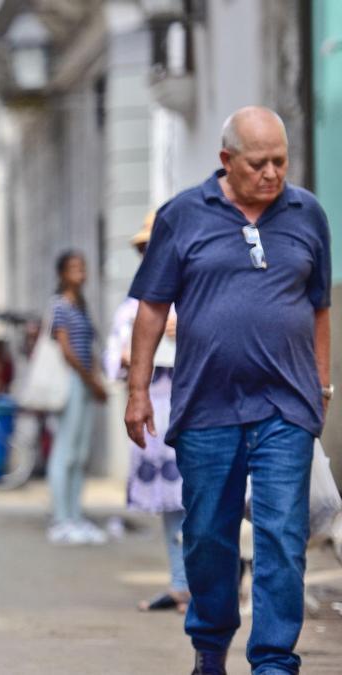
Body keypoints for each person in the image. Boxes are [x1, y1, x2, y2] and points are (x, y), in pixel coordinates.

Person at [125, 106, 330, 675]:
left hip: (286, 407)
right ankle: (210, 649)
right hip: (207, 409)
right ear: (226, 161)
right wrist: (138, 390)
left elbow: (319, 308)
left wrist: (322, 384)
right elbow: (151, 308)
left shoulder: (308, 214)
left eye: (280, 162)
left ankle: (272, 661)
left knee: (282, 535)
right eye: (258, 163)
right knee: (209, 537)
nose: (272, 173)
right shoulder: (182, 216)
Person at [104, 215, 188, 612]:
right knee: (172, 503)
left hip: (195, 408)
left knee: (207, 499)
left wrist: (186, 329)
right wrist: (130, 357)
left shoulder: (194, 297)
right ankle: (181, 582)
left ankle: (213, 578)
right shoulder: (132, 308)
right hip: (155, 412)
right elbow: (113, 359)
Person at [46, 250, 109, 546]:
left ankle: (75, 514)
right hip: (72, 381)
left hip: (85, 382)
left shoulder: (81, 306)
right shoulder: (60, 305)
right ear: (62, 273)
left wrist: (96, 380)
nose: (80, 273)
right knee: (65, 452)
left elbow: (89, 346)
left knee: (80, 452)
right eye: (73, 268)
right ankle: (61, 519)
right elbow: (66, 348)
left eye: (82, 268)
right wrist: (89, 379)